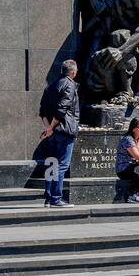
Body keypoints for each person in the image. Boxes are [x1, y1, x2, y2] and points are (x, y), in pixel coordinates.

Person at [38, 60, 80, 208]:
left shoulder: (50, 86)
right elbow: (62, 109)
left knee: (52, 164)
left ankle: (49, 198)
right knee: (62, 165)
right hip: (64, 130)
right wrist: (52, 127)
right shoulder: (70, 85)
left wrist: (48, 128)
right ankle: (56, 199)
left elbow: (42, 111)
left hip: (52, 133)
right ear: (73, 73)